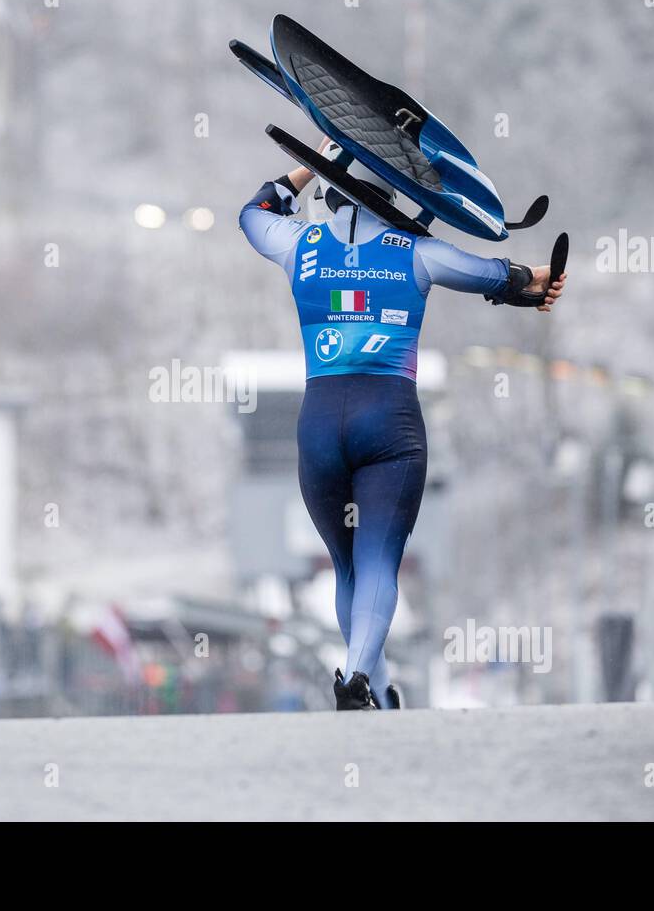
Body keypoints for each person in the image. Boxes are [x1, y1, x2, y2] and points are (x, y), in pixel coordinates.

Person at [238, 138, 566, 710]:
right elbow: (497, 276)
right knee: (378, 563)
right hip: (389, 422)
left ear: (331, 193)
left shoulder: (300, 244)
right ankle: (359, 678)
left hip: (319, 423)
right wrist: (535, 283)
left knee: (345, 568)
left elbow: (252, 213)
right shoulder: (416, 249)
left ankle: (372, 689)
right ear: (394, 197)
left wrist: (308, 164)